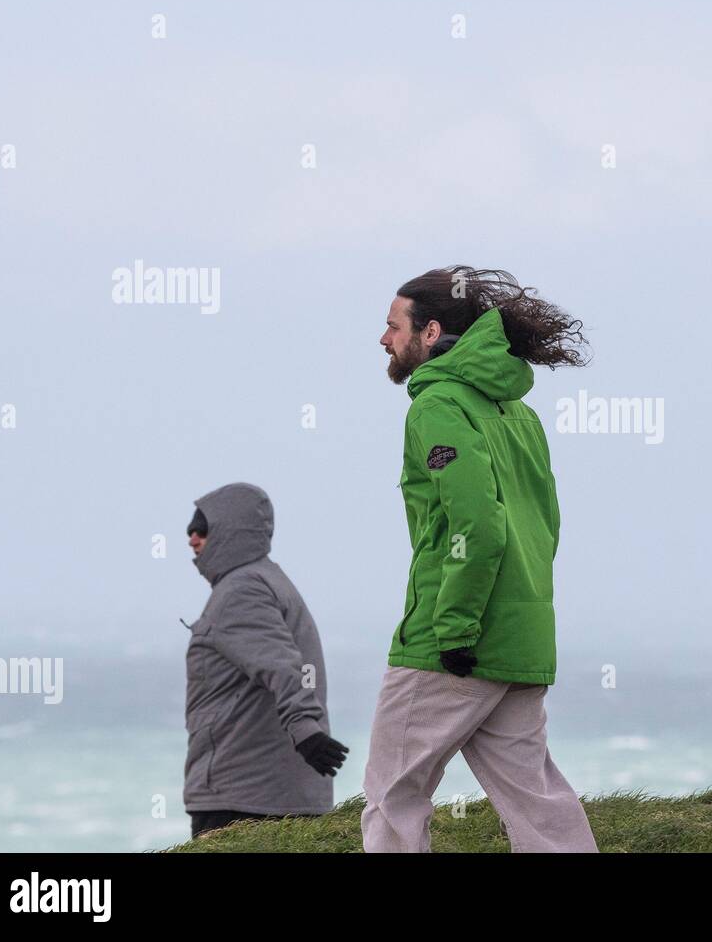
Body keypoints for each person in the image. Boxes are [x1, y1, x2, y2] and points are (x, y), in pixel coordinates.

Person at [362, 266, 597, 852]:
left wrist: (455, 628)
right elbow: (544, 525)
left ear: (431, 330)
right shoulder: (516, 411)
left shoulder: (437, 406)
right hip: (520, 637)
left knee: (393, 792)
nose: (383, 339)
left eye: (393, 327)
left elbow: (477, 525)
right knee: (535, 800)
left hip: (454, 642)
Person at [183, 482, 348, 839]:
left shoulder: (241, 590)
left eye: (203, 528)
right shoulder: (267, 580)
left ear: (232, 531)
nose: (192, 538)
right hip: (275, 793)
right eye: (190, 529)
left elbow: (281, 666)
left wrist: (306, 731)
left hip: (243, 797)